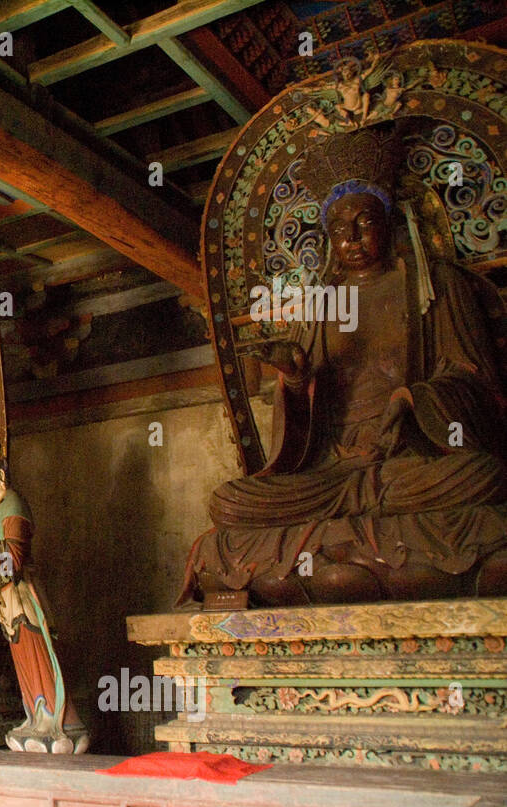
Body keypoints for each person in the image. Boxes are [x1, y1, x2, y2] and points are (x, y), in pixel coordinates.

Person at [183, 123, 507, 605]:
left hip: (410, 467)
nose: (351, 238)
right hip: (332, 477)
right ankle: (360, 533)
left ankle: (337, 546)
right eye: (338, 228)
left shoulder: (437, 286)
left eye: (365, 222)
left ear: (390, 223)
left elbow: (476, 383)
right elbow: (296, 442)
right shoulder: (318, 308)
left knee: (485, 475)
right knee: (230, 502)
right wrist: (293, 381)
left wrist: (414, 398)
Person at [0, 437, 88, 754]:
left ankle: (60, 720)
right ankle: (37, 717)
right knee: (22, 656)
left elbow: (14, 555)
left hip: (22, 592)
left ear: (0, 476)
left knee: (38, 652)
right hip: (7, 595)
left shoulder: (12, 503)